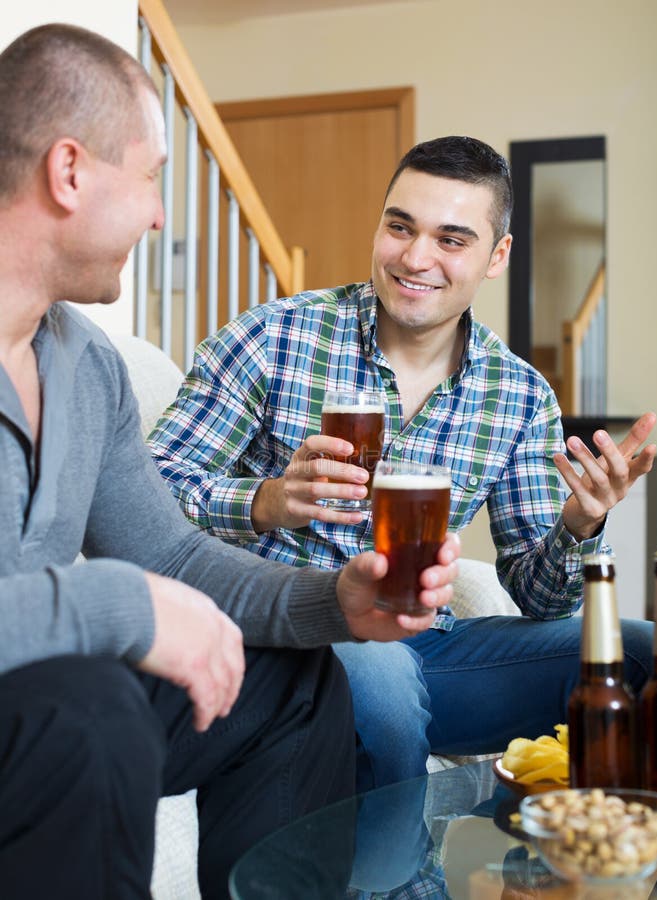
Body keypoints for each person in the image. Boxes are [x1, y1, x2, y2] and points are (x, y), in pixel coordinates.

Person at [0, 24, 459, 900]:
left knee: (292, 681)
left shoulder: (85, 364)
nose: (162, 215)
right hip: (51, 715)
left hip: (55, 704)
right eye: (152, 178)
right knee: (92, 714)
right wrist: (118, 601)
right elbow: (133, 588)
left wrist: (335, 602)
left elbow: (168, 555)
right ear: (69, 172)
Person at [148, 135, 656, 789]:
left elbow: (543, 600)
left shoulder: (519, 396)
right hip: (290, 633)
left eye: (451, 239)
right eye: (400, 227)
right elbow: (150, 489)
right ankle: (401, 889)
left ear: (496, 255)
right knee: (379, 673)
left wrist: (580, 524)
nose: (415, 258)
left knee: (638, 652)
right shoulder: (273, 336)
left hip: (431, 650)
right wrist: (265, 499)